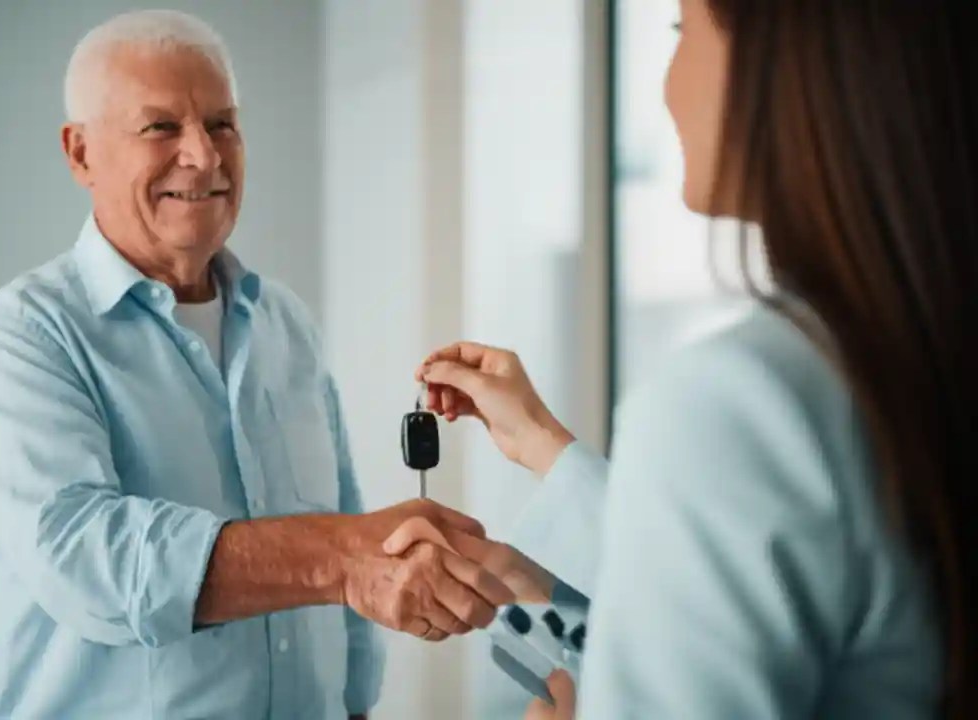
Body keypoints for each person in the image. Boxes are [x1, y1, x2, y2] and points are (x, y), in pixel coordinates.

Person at [408, 0, 977, 717]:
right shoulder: (914, 352)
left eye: (682, 33)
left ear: (779, 65)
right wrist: (547, 450)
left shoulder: (740, 400)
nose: (667, 85)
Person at [0, 10, 513, 719]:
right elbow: (87, 560)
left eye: (222, 124)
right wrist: (340, 557)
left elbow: (342, 542)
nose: (205, 156)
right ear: (81, 153)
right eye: (161, 127)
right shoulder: (25, 336)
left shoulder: (286, 326)